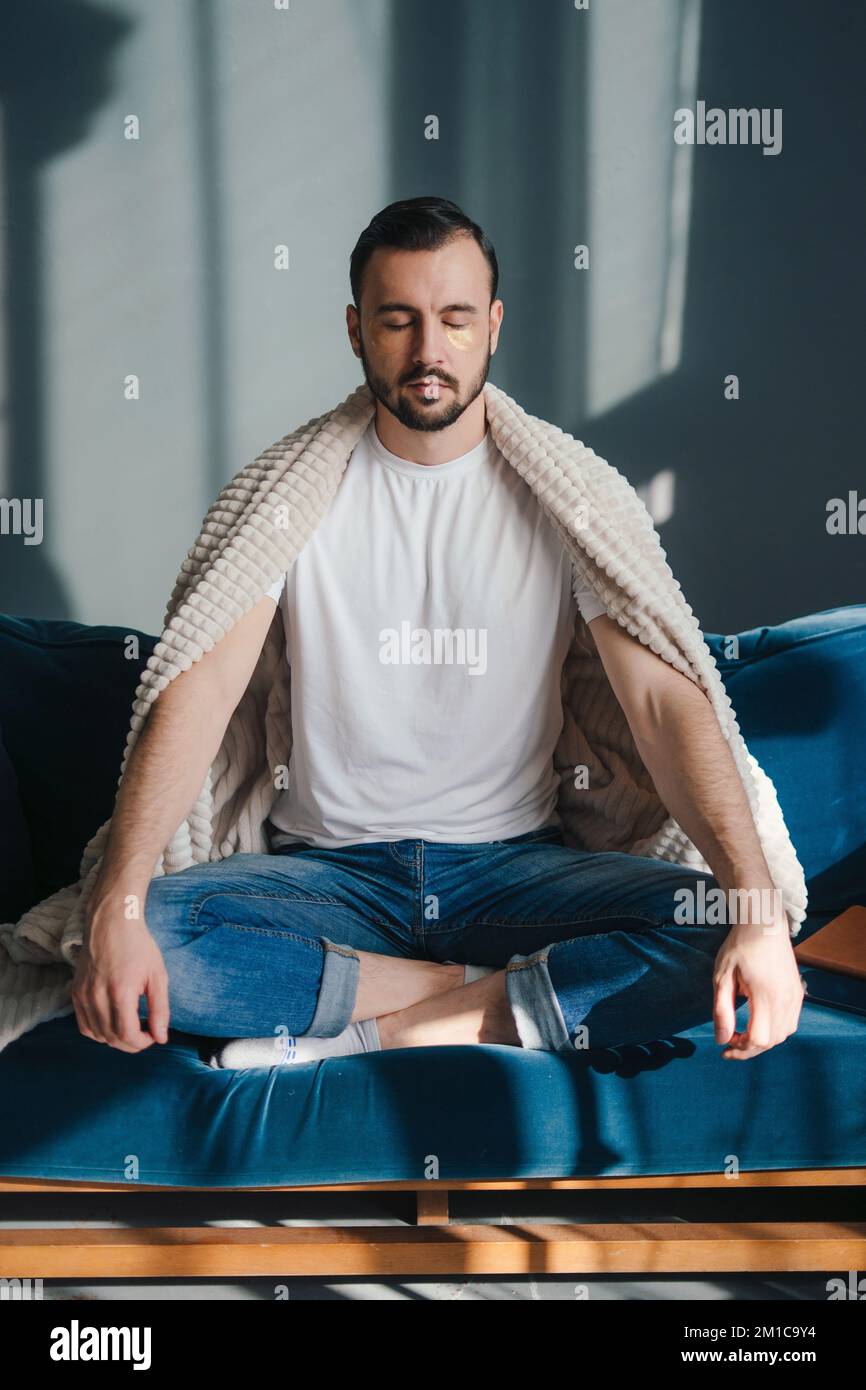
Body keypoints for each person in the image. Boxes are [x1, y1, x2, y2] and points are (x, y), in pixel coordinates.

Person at [70, 197, 806, 1067]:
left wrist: (755, 911)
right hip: (331, 878)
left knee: (720, 927)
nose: (429, 351)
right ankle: (505, 996)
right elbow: (198, 689)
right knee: (144, 928)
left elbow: (660, 702)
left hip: (516, 875)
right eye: (398, 320)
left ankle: (360, 1032)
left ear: (492, 326)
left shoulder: (569, 500)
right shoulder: (287, 497)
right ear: (355, 330)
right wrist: (118, 906)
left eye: (456, 319)